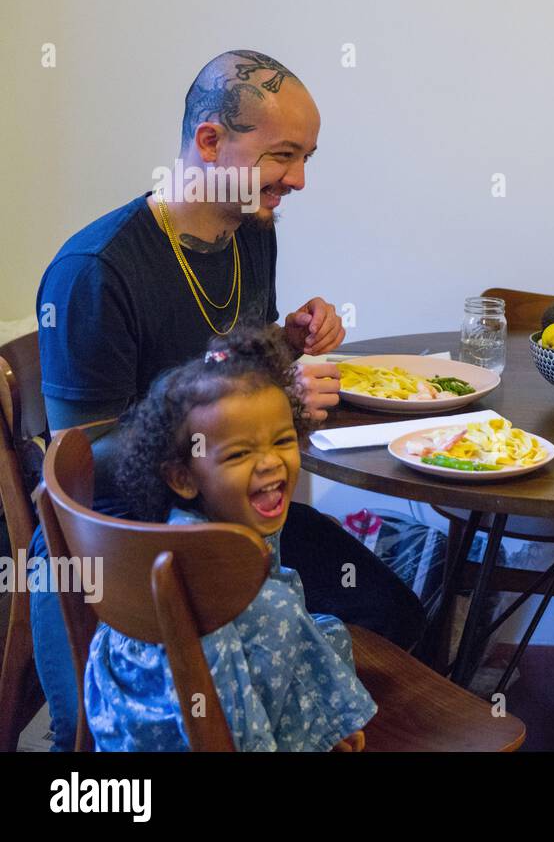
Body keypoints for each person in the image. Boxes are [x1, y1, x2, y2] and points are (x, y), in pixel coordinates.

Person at [32, 50, 424, 751]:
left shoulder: (252, 233)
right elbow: (83, 464)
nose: (299, 180)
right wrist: (254, 406)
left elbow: (223, 358)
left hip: (234, 517)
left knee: (394, 614)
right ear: (210, 141)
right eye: (283, 156)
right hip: (126, 551)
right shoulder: (95, 272)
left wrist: (284, 345)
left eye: (306, 157)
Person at [84, 327, 377, 751]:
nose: (270, 463)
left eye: (282, 440)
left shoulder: (230, 523)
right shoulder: (207, 583)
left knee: (310, 624)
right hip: (178, 723)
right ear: (183, 477)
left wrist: (327, 723)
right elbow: (226, 715)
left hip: (220, 688)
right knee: (284, 614)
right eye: (239, 454)